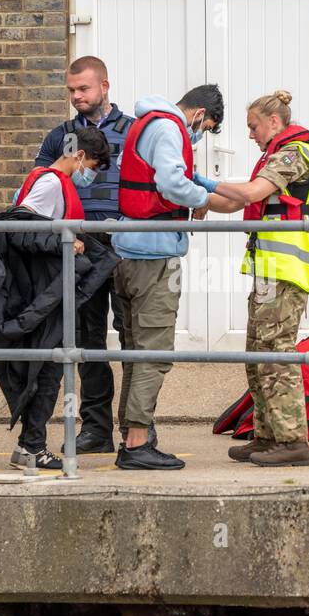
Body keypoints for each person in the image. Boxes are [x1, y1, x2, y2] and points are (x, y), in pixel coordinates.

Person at [0, 128, 118, 471]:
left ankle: (30, 445)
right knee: (47, 370)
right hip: (44, 289)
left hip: (43, 288)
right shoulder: (52, 183)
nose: (92, 175)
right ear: (80, 156)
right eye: (94, 166)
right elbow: (22, 227)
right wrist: (67, 242)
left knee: (46, 367)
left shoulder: (43, 179)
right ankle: (31, 447)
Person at [205, 90, 309, 468]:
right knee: (258, 356)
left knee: (276, 357)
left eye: (253, 126)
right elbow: (233, 202)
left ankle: (291, 441)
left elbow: (251, 193)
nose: (251, 134)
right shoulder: (273, 157)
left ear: (274, 122)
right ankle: (266, 435)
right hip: (269, 274)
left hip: (287, 273)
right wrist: (187, 192)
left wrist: (200, 181)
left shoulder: (292, 154)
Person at [112, 84, 223, 470]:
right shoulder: (171, 128)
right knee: (153, 353)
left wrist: (217, 187)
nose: (200, 134)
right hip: (154, 255)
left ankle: (132, 434)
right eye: (205, 127)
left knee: (134, 352)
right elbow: (172, 183)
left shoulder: (147, 122)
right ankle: (137, 443)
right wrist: (207, 200)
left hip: (128, 251)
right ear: (199, 115)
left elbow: (184, 174)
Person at [33, 56, 134, 455]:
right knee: (88, 343)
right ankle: (96, 428)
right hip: (80, 247)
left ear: (105, 86)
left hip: (125, 246)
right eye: (71, 90)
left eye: (84, 89)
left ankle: (138, 430)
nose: (76, 97)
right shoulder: (60, 136)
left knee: (133, 340)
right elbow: (40, 185)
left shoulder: (135, 132)